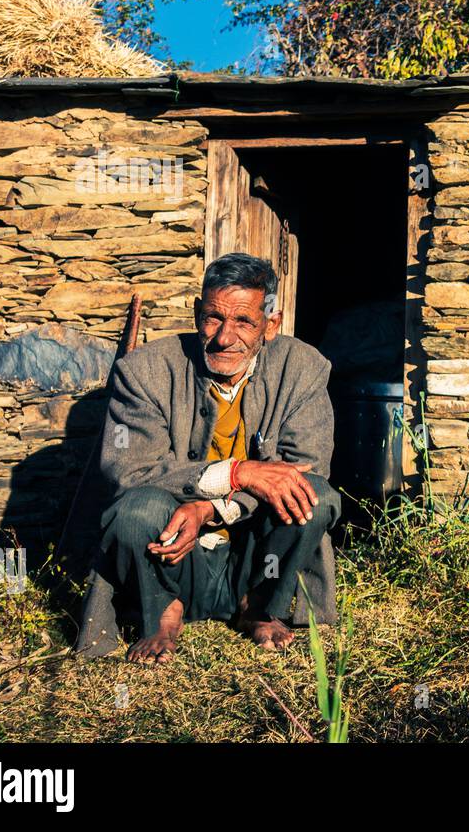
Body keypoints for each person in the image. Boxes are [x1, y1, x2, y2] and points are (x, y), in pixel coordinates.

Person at [87, 252, 339, 664]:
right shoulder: (143, 371)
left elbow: (306, 468)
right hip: (173, 555)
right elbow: (128, 472)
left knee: (316, 496)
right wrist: (238, 473)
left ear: (271, 324)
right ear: (195, 314)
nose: (224, 338)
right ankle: (164, 610)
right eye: (213, 318)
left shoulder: (303, 369)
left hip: (256, 556)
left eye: (244, 322)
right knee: (135, 510)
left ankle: (260, 604)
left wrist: (209, 509)